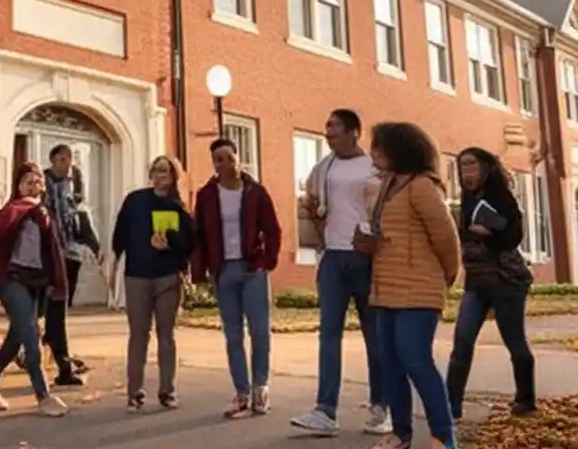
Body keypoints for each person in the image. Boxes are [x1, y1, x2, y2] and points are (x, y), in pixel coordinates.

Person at [291, 109, 391, 436]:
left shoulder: (375, 168)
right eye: (326, 126)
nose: (327, 132)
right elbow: (315, 208)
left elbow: (387, 212)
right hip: (333, 257)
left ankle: (381, 407)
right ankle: (325, 411)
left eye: (333, 126)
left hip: (365, 257)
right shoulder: (323, 168)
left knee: (373, 334)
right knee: (328, 333)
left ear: (354, 132)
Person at [364, 123, 462, 449]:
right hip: (386, 289)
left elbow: (446, 237)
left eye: (378, 147)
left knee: (416, 361)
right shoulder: (390, 185)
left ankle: (443, 436)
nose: (373, 153)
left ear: (398, 150)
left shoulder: (422, 186)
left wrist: (448, 275)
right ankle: (401, 433)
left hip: (418, 290)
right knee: (389, 364)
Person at [191, 137, 282, 420]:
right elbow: (199, 236)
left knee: (259, 331)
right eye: (218, 159)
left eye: (229, 158)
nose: (224, 164)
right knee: (233, 335)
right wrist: (199, 272)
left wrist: (267, 262)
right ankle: (241, 392)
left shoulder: (256, 192)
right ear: (214, 163)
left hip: (252, 268)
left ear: (237, 159)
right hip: (224, 270)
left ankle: (260, 388)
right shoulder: (206, 195)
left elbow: (273, 229)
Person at [445, 147, 536, 420]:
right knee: (462, 340)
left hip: (505, 279)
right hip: (476, 282)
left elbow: (513, 236)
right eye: (462, 167)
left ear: (485, 168)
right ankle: (451, 405)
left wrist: (490, 233)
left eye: (472, 166)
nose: (467, 173)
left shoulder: (502, 198)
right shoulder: (467, 200)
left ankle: (526, 399)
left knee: (515, 341)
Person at [0, 161, 70, 418]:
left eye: (38, 180)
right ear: (18, 185)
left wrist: (57, 282)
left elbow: (53, 253)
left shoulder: (44, 214)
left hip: (36, 283)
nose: (34, 183)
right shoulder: (11, 211)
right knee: (31, 333)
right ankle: (43, 396)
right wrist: (21, 221)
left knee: (16, 337)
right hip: (11, 280)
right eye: (28, 180)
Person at [113, 155, 194, 412]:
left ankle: (167, 391)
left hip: (168, 277)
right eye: (156, 171)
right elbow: (120, 236)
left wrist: (170, 244)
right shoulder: (135, 201)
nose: (160, 176)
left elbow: (189, 245)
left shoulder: (177, 208)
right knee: (138, 336)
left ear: (173, 177)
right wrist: (113, 263)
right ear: (150, 174)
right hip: (137, 276)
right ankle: (134, 393)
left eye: (166, 172)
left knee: (166, 336)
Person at [38, 144, 98, 387]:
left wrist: (91, 243)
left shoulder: (75, 183)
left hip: (71, 253)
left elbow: (78, 214)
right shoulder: (44, 183)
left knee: (59, 309)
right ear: (52, 161)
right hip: (51, 255)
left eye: (69, 159)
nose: (67, 164)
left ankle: (47, 352)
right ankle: (62, 365)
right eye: (62, 159)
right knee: (52, 311)